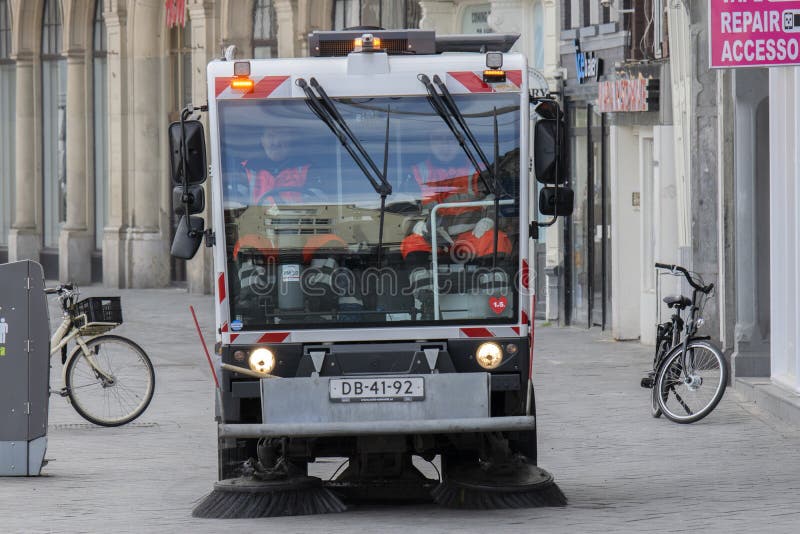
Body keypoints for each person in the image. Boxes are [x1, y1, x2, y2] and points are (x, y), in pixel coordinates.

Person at [241, 127, 312, 204]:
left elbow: (319, 203)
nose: (276, 142)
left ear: (291, 140)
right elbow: (236, 204)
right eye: (270, 136)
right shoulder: (246, 169)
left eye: (282, 136)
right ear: (262, 141)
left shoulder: (309, 170)